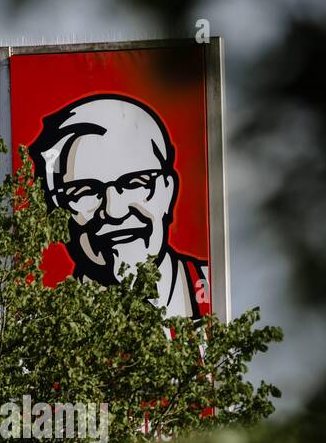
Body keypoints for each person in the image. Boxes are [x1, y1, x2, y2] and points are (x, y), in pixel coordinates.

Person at [28, 93, 209, 319]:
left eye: (135, 183)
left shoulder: (218, 293)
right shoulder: (39, 330)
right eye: (84, 191)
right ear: (56, 210)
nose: (114, 211)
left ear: (168, 190)